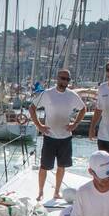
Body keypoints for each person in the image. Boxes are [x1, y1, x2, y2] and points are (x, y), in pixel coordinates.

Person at [29, 69, 85, 202]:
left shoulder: (72, 95)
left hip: (65, 137)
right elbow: (32, 107)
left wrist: (75, 124)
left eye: (67, 79)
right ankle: (41, 192)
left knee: (62, 166)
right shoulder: (47, 94)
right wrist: (39, 126)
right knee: (44, 166)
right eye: (62, 78)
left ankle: (56, 192)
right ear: (57, 78)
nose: (64, 81)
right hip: (50, 136)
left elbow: (83, 109)